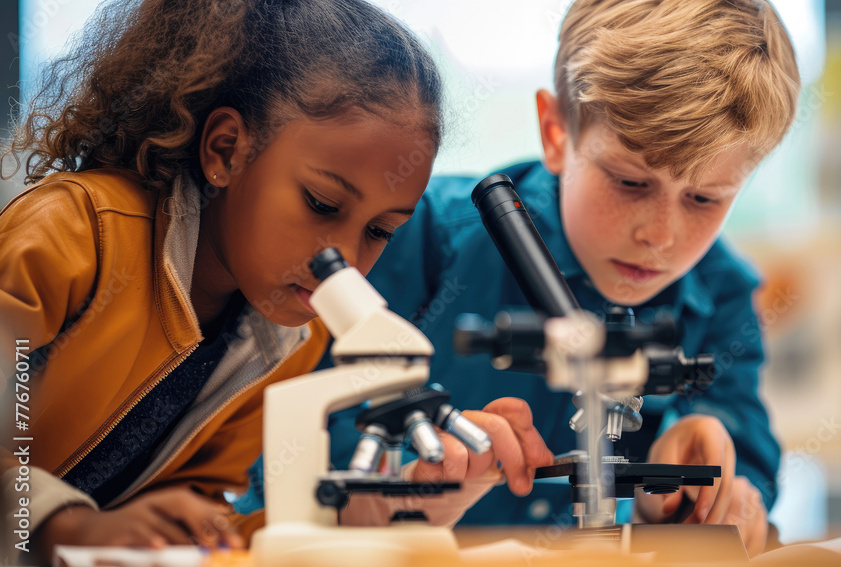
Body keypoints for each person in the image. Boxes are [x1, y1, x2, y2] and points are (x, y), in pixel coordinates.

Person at [0, 0, 552, 564]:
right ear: (226, 150)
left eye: (382, 231)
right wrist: (62, 524)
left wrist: (389, 506)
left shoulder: (283, 340)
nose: (345, 260)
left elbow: (201, 527)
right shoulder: (73, 239)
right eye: (321, 203)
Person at [315, 0, 800, 557]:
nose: (661, 236)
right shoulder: (414, 239)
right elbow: (286, 461)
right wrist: (415, 474)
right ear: (556, 132)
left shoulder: (720, 293)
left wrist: (692, 494)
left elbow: (749, 464)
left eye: (704, 198)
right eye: (629, 182)